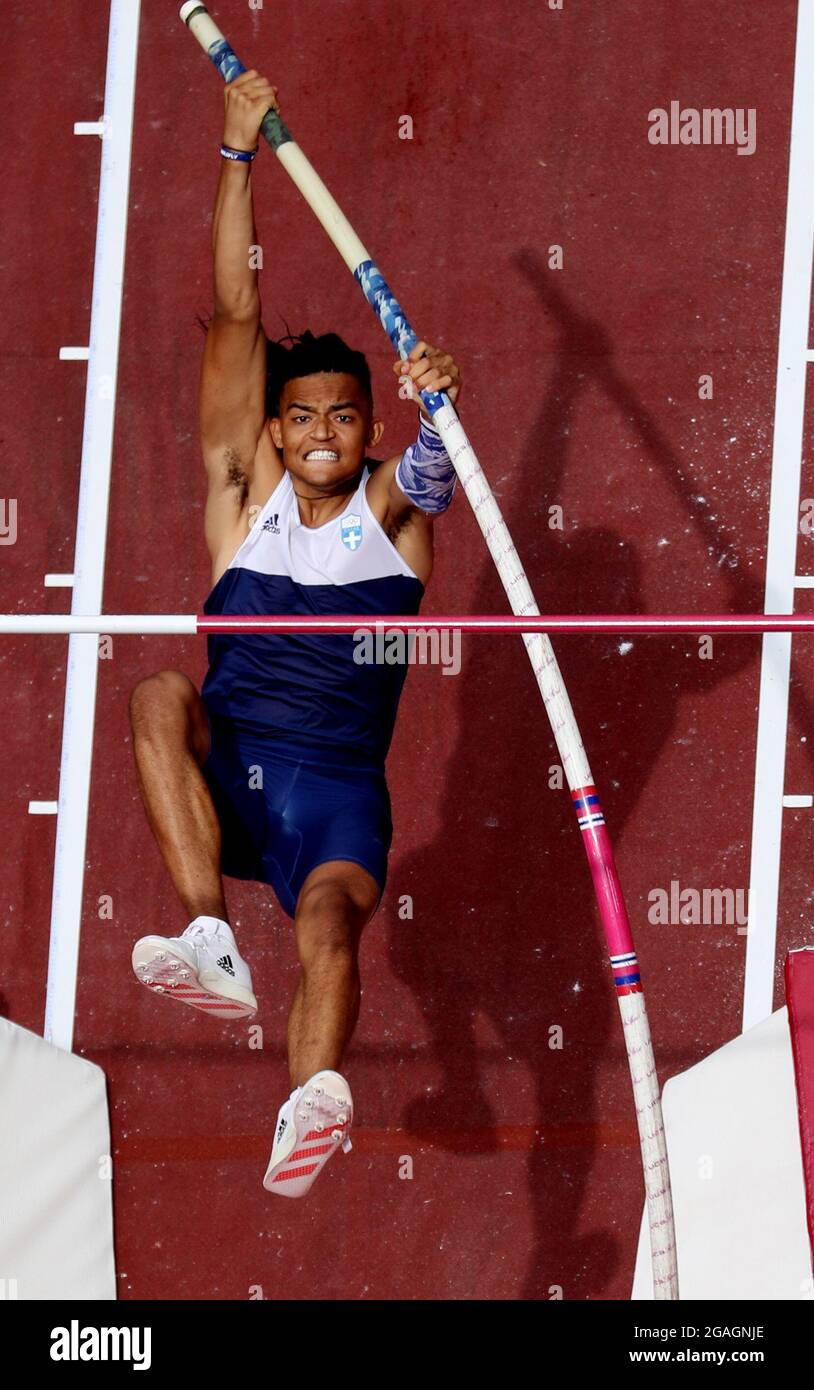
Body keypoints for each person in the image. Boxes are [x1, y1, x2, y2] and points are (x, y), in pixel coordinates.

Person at [127, 70, 462, 1196]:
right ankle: (210, 938)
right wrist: (235, 155)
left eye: (346, 415)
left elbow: (433, 468)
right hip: (230, 782)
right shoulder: (240, 498)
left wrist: (437, 401)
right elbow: (235, 316)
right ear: (272, 426)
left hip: (332, 792)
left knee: (328, 920)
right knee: (159, 696)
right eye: (303, 414)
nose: (324, 431)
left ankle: (314, 1098)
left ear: (366, 427)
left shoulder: (394, 513)